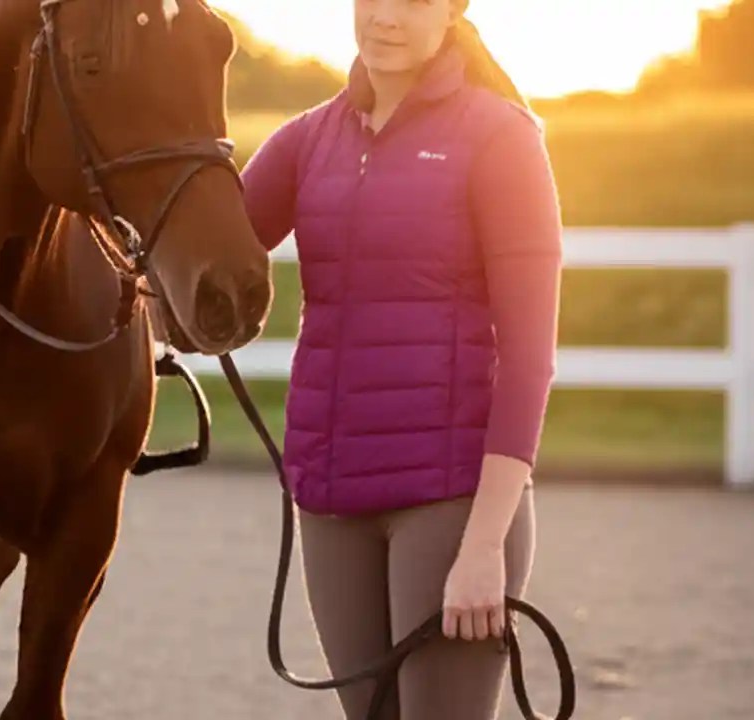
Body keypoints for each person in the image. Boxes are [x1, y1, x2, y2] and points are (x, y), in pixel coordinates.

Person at [240, 1, 562, 718]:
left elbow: (530, 358)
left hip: (449, 501)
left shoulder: (499, 137)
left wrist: (486, 546)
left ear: (453, 12)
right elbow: (202, 262)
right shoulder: (306, 140)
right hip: (330, 500)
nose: (386, 17)